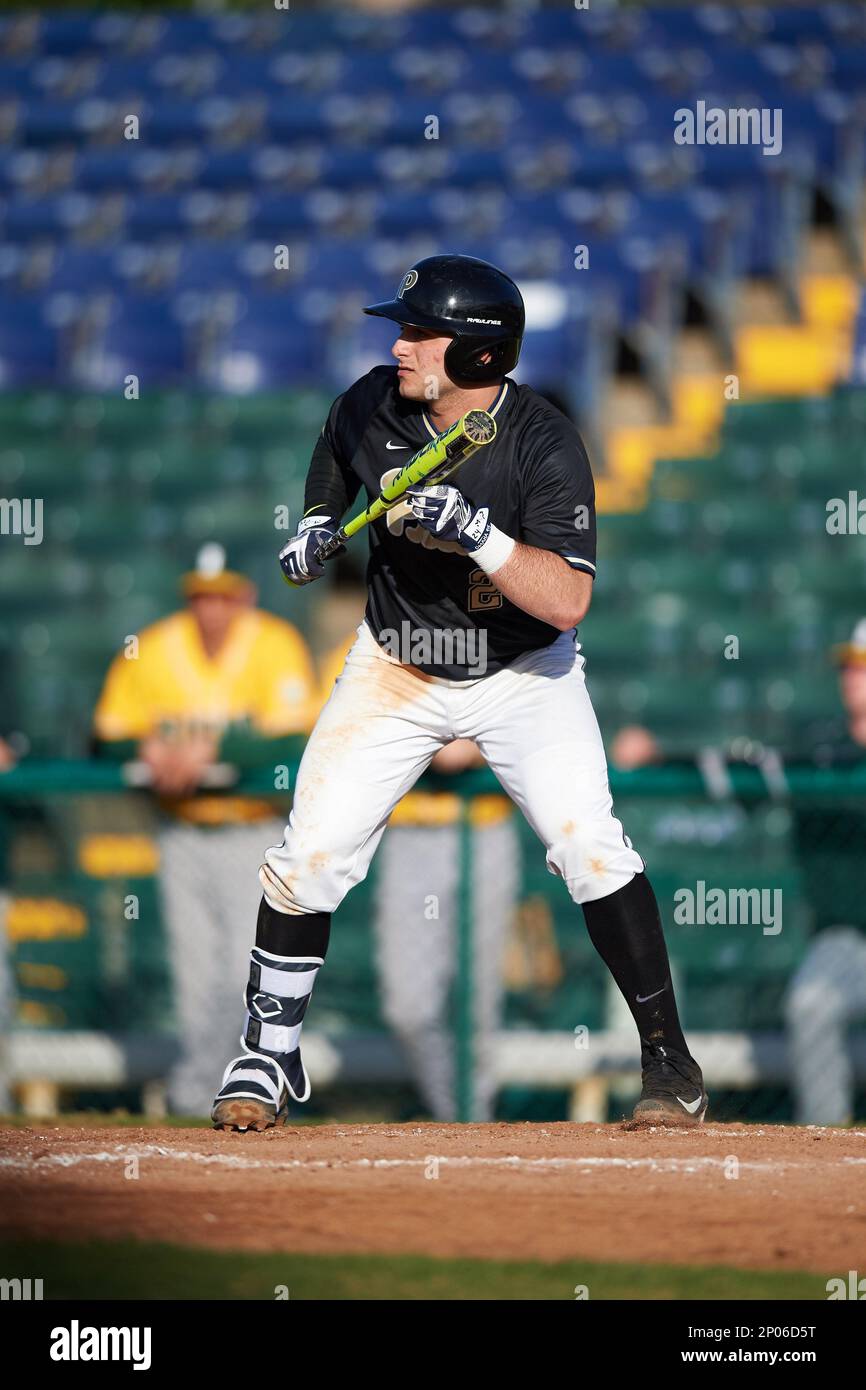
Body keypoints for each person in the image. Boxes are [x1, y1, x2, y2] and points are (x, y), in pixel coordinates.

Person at [211, 254, 706, 1132]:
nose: (398, 347)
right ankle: (266, 1049)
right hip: (398, 662)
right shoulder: (372, 400)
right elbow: (337, 446)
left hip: (524, 674)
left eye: (417, 332)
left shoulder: (544, 442)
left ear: (477, 354)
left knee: (590, 847)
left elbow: (569, 599)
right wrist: (319, 519)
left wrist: (479, 534)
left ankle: (669, 1061)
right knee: (310, 856)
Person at [93, 544, 317, 1114]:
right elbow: (107, 732)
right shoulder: (155, 645)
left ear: (246, 595)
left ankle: (250, 1085)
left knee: (244, 974)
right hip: (184, 830)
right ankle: (199, 1099)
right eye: (200, 596)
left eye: (222, 596)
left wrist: (214, 748)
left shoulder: (273, 643)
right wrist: (149, 747)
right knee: (195, 978)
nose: (211, 608)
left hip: (252, 830)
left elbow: (295, 739)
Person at [314, 566, 519, 1121]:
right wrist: (434, 745)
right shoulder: (366, 647)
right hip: (410, 835)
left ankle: (470, 1123)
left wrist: (457, 741)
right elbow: (329, 733)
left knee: (476, 1005)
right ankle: (458, 1114)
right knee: (408, 1006)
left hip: (484, 828)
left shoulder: (492, 632)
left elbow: (532, 719)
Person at [784, 618, 866, 1125]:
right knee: (811, 1003)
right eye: (849, 666)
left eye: (861, 668)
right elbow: (746, 767)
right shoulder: (818, 748)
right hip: (848, 941)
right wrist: (661, 754)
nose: (851, 676)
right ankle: (827, 1141)